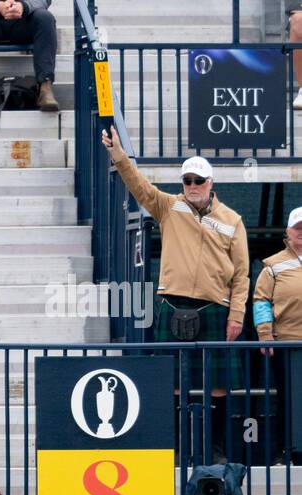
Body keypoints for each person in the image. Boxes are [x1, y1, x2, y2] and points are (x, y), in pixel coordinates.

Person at [102, 131, 248, 462]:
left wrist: (237, 314)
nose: (192, 185)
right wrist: (119, 156)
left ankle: (216, 451)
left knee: (217, 386)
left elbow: (241, 274)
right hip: (172, 305)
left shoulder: (232, 221)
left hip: (215, 308)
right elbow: (139, 187)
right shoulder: (169, 207)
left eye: (198, 180)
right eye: (187, 180)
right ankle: (179, 449)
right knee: (175, 385)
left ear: (211, 183)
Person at [251, 207, 302, 465]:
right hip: (288, 344)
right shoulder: (272, 266)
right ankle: (288, 451)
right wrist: (265, 335)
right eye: (298, 228)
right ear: (288, 232)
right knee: (288, 400)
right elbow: (261, 301)